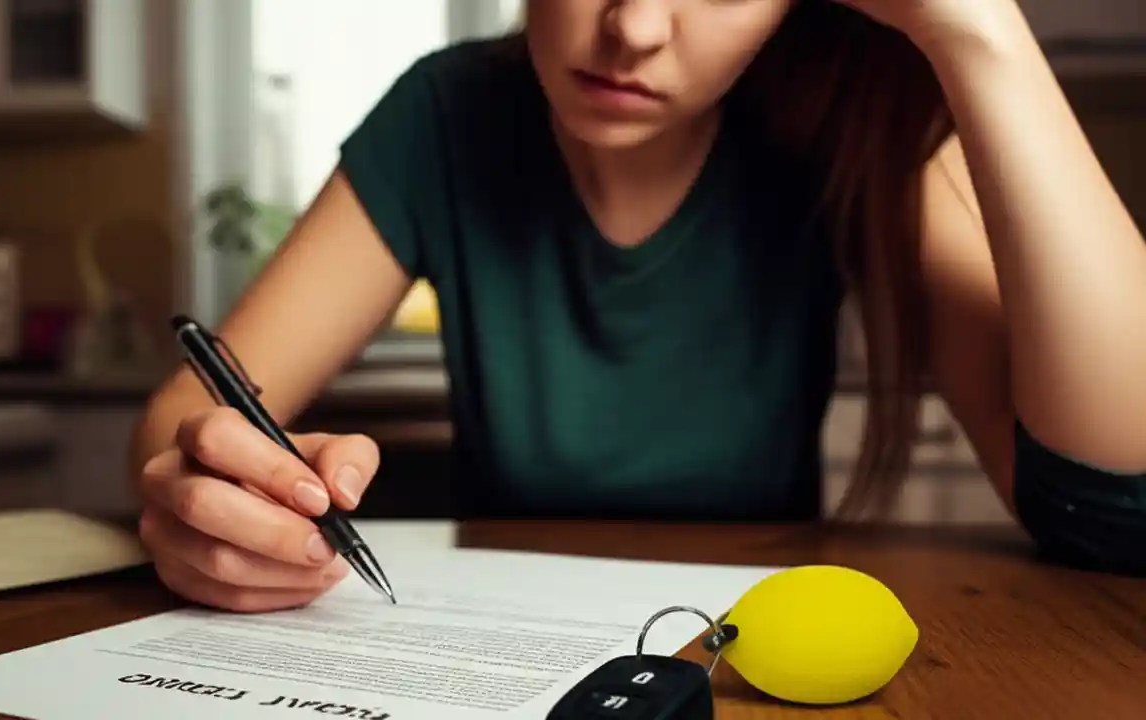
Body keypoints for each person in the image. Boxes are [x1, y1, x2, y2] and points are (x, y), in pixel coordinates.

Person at [129, 0, 1146, 612]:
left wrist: (977, 34)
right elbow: (187, 411)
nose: (632, 29)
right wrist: (211, 497)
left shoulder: (851, 125)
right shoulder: (444, 112)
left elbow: (1116, 511)